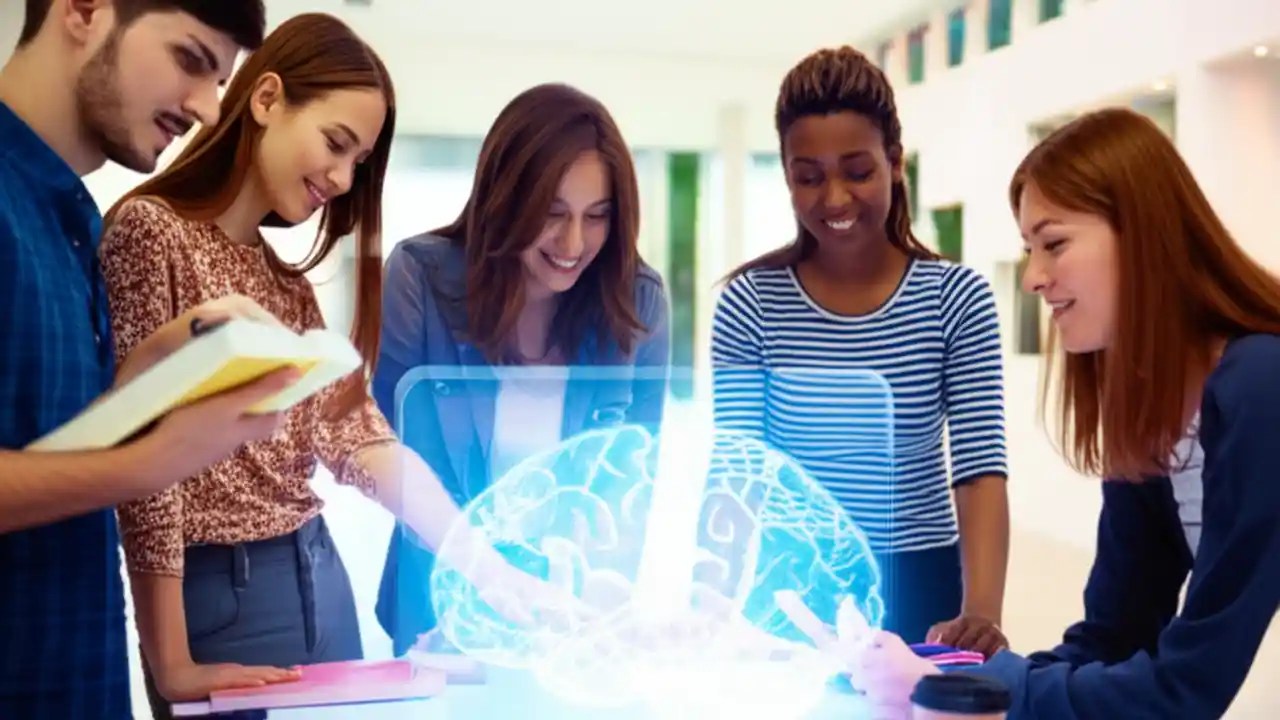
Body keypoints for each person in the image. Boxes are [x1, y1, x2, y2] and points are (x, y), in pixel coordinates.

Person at [98, 14, 565, 719]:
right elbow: (146, 466)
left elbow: (358, 438)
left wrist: (484, 567)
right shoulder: (150, 233)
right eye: (336, 144)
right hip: (219, 596)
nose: (343, 179)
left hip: (320, 576)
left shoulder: (287, 289)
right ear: (265, 100)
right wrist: (170, 660)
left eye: (359, 162)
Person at [842, 107, 1280, 718]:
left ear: (1144, 234)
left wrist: (986, 686)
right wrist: (959, 679)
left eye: (1054, 244)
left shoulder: (1260, 386)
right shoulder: (1152, 412)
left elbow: (1189, 687)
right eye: (1028, 249)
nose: (1033, 279)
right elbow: (1115, 635)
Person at [0, 1, 291, 718]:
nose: (205, 110)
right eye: (191, 61)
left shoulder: (71, 218)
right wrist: (156, 462)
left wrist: (176, 346)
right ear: (84, 10)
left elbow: (54, 444)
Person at [710, 45, 1010, 655]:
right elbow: (740, 477)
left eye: (858, 170)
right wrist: (718, 605)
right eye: (809, 176)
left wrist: (980, 613)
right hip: (791, 587)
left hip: (920, 583)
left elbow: (979, 470)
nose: (836, 198)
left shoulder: (956, 298)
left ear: (895, 163)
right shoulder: (750, 305)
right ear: (788, 178)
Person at [371, 82, 671, 656]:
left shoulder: (638, 299)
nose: (574, 242)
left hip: (575, 615)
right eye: (551, 214)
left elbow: (635, 476)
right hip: (441, 606)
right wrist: (485, 589)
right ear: (504, 200)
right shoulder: (420, 279)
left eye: (598, 216)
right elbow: (394, 460)